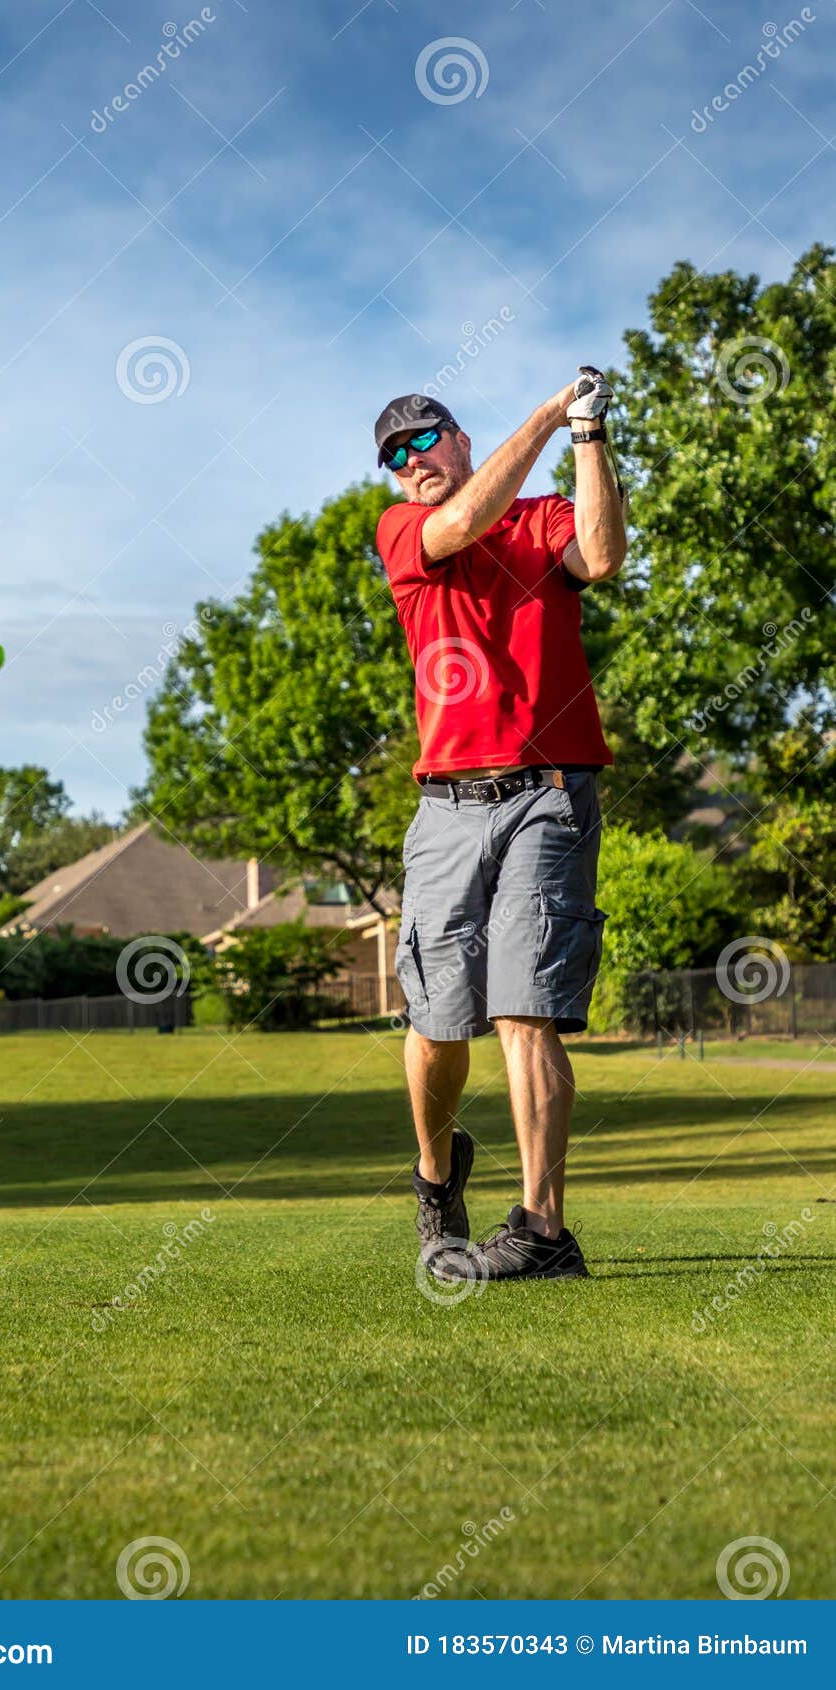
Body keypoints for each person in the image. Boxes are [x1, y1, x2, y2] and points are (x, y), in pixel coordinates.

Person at [373, 372, 627, 1281]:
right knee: (439, 1023)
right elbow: (456, 527)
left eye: (424, 439)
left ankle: (541, 1232)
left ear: (459, 439)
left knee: (525, 1013)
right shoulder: (404, 529)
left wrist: (588, 432)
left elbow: (598, 558)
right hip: (445, 807)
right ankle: (437, 1175)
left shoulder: (541, 515)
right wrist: (544, 416)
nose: (411, 462)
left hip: (550, 797)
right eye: (395, 455)